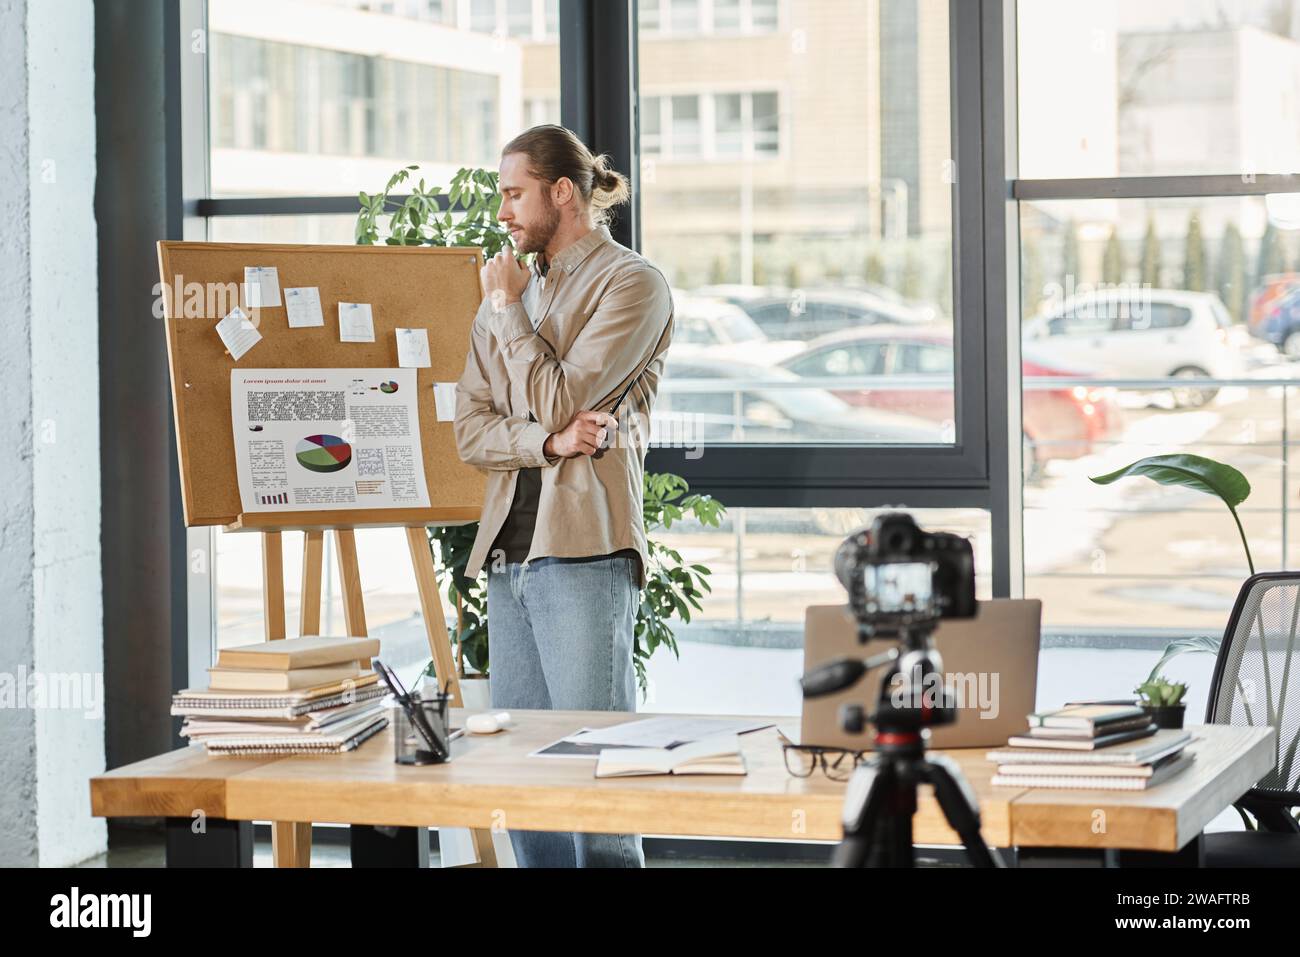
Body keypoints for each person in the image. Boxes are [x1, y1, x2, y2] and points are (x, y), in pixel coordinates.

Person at [453, 124, 674, 867]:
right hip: (508, 558)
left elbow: (559, 396)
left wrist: (507, 315)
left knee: (597, 766)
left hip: (583, 548)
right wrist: (546, 445)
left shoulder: (631, 283)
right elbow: (472, 430)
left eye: (513, 194)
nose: (503, 213)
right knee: (527, 777)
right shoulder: (514, 291)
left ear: (561, 193)